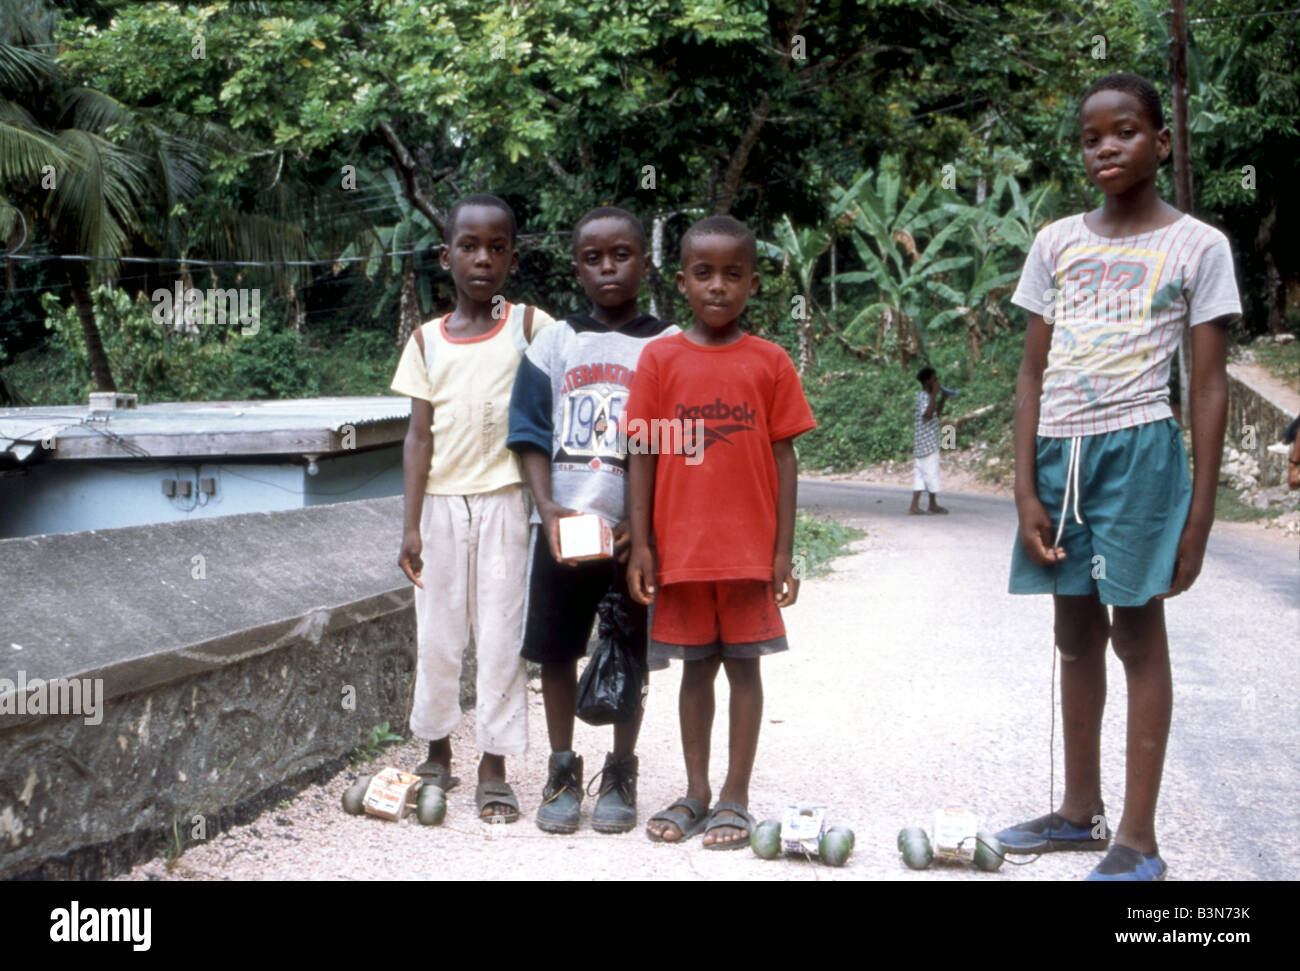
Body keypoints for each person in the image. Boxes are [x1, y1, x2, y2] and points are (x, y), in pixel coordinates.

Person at [998, 73, 1241, 880]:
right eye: (1092, 137)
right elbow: (1031, 373)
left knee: (1136, 634)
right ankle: (1077, 811)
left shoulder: (1199, 246)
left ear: (1161, 143)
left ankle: (1137, 838)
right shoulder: (1056, 242)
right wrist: (1025, 485)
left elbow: (1207, 385)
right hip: (1060, 455)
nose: (1107, 146)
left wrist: (1199, 512)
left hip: (1141, 451)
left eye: (1126, 131)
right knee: (1073, 635)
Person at [625, 215, 816, 849]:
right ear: (682, 282)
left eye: (733, 275)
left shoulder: (771, 362)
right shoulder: (659, 359)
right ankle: (696, 791)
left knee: (744, 669)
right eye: (703, 273)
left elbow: (785, 458)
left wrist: (783, 551)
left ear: (754, 283)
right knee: (694, 671)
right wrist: (644, 545)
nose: (717, 287)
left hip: (748, 556)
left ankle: (736, 794)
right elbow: (643, 454)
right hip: (680, 555)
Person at [506, 206, 678, 834]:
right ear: (576, 266)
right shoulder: (554, 341)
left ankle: (621, 770)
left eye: (622, 255)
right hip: (562, 527)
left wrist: (647, 525)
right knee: (556, 648)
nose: (608, 268)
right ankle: (561, 769)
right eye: (593, 258)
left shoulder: (667, 343)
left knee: (628, 648)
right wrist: (546, 507)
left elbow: (673, 440)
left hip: (632, 535)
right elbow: (527, 429)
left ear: (645, 259)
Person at [390, 193, 556, 824]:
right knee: (436, 637)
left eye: (496, 247)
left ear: (511, 258)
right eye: (469, 246)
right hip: (437, 508)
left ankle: (495, 764)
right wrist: (410, 525)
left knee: (500, 636)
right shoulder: (427, 341)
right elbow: (418, 437)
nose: (482, 259)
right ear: (446, 257)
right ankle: (436, 751)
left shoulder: (530, 326)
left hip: (506, 504)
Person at [909, 367, 949, 514]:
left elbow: (934, 414)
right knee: (931, 474)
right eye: (934, 379)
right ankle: (932, 505)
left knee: (920, 476)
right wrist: (934, 394)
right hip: (928, 445)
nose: (936, 381)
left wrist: (942, 399)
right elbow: (927, 415)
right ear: (927, 381)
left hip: (922, 444)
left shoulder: (924, 397)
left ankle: (914, 506)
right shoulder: (925, 397)